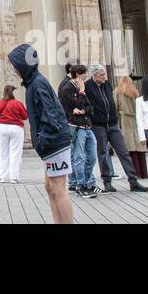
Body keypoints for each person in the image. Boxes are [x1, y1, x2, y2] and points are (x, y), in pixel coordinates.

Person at [8, 44, 75, 224]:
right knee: (50, 187)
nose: (14, 69)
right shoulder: (34, 83)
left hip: (55, 142)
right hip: (52, 142)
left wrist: (42, 140)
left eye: (15, 64)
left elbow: (50, 114)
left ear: (24, 64)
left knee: (58, 188)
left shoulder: (37, 84)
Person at [86, 65, 148, 192]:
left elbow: (112, 102)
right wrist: (92, 118)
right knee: (103, 154)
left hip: (113, 124)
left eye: (104, 74)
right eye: (102, 74)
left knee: (123, 152)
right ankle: (107, 182)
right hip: (98, 125)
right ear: (95, 75)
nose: (105, 77)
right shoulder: (88, 86)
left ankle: (133, 181)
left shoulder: (107, 85)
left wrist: (114, 117)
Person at [58, 63, 98, 197]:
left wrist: (82, 110)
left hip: (87, 125)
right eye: (84, 74)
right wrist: (81, 93)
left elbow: (90, 108)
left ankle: (88, 182)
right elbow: (76, 106)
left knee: (92, 157)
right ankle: (81, 185)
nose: (86, 76)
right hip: (76, 127)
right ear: (77, 75)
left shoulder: (82, 88)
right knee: (79, 157)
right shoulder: (67, 89)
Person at [116, 76, 148, 181]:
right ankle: (144, 173)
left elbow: (115, 106)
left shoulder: (117, 92)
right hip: (137, 119)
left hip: (125, 119)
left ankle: (135, 173)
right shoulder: (135, 92)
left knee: (130, 147)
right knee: (140, 146)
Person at [0, 86, 27, 184]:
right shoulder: (17, 103)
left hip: (2, 127)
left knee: (3, 153)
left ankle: (2, 177)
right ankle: (14, 177)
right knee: (15, 153)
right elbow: (25, 116)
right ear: (13, 92)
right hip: (16, 128)